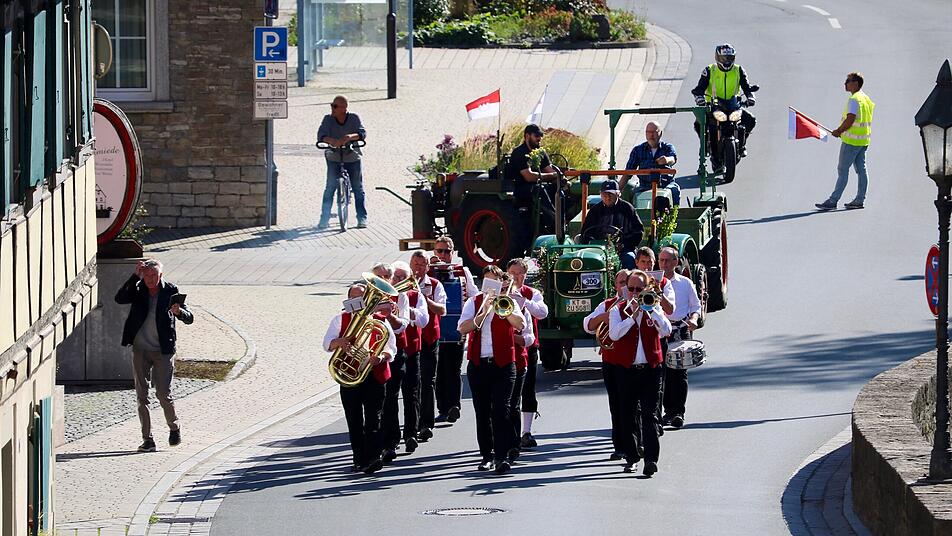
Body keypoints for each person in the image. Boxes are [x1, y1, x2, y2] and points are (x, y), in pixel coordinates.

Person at [115, 259, 194, 453]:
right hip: (140, 349)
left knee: (163, 393)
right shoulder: (138, 288)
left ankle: (174, 427)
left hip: (163, 350)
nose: (150, 279)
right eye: (147, 275)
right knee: (142, 396)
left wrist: (179, 312)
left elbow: (189, 317)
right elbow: (120, 298)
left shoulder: (170, 291)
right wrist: (135, 276)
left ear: (161, 275)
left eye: (154, 275)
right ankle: (148, 440)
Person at [458, 265, 526, 474]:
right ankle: (486, 455)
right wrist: (482, 312)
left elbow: (520, 324)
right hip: (479, 364)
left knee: (501, 410)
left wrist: (503, 310)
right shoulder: (474, 302)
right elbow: (463, 327)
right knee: (482, 412)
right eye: (487, 281)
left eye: (494, 281)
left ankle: (501, 456)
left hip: (503, 364)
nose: (491, 286)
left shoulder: (508, 302)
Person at [323, 283, 397, 474]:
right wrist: (339, 342)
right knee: (354, 419)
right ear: (348, 300)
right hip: (349, 375)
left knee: (374, 418)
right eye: (353, 299)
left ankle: (373, 458)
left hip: (374, 374)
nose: (358, 303)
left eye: (362, 299)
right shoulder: (340, 319)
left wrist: (381, 357)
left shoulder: (380, 321)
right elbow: (327, 344)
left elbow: (391, 349)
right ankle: (359, 460)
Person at [608, 270, 672, 475]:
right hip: (626, 370)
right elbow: (614, 335)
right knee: (627, 415)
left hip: (651, 369)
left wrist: (652, 311)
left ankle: (651, 460)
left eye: (639, 289)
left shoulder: (654, 307)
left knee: (650, 415)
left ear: (646, 289)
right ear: (625, 289)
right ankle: (632, 457)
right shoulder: (617, 310)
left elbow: (667, 330)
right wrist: (631, 318)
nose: (635, 293)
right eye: (631, 289)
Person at [583, 269, 631, 461]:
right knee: (616, 404)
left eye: (628, 283)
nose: (624, 287)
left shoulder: (641, 304)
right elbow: (587, 325)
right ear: (615, 286)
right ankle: (619, 446)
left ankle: (635, 443)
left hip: (633, 362)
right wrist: (603, 317)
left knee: (632, 405)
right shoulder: (607, 304)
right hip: (611, 361)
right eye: (621, 283)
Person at [431, 236, 478, 424]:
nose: (443, 255)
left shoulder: (462, 272)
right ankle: (442, 408)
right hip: (435, 330)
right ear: (434, 252)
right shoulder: (429, 272)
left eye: (447, 251)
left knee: (454, 369)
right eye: (440, 251)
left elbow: (474, 295)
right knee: (438, 371)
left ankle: (454, 406)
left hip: (456, 330)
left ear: (452, 252)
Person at [815, 72, 875, 211]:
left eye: (848, 81)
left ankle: (833, 200)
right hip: (863, 140)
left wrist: (839, 131)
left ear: (856, 83)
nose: (845, 83)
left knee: (843, 170)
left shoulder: (854, 99)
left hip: (851, 141)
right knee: (862, 170)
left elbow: (850, 119)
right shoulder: (865, 98)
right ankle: (860, 199)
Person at [506, 258, 549, 450]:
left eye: (519, 274)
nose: (515, 277)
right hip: (504, 347)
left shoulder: (532, 293)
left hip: (528, 347)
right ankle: (507, 432)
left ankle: (526, 431)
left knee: (528, 389)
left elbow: (543, 313)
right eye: (512, 274)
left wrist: (524, 301)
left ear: (525, 275)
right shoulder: (501, 292)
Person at [369, 263, 410, 463]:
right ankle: (372, 446)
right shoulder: (364, 295)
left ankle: (390, 443)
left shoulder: (400, 297)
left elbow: (403, 325)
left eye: (387, 276)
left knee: (390, 399)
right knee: (372, 402)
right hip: (369, 353)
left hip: (392, 354)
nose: (383, 280)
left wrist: (390, 316)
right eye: (379, 276)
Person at [657, 247, 702, 429]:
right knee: (661, 373)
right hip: (660, 331)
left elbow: (696, 306)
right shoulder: (653, 282)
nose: (664, 264)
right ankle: (663, 412)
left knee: (679, 373)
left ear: (676, 262)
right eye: (661, 260)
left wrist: (694, 319)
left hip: (680, 331)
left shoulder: (685, 283)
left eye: (668, 260)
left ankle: (677, 412)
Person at [691, 43, 757, 158]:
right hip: (714, 106)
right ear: (717, 58)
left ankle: (742, 145)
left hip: (733, 106)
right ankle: (705, 145)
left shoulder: (739, 70)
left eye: (730, 58)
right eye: (724, 58)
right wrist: (700, 99)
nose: (727, 60)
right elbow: (698, 89)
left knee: (750, 120)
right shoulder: (709, 70)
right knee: (699, 123)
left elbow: (747, 88)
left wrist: (751, 98)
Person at [409, 251, 447, 442]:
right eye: (415, 264)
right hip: (410, 340)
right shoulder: (404, 283)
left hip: (429, 339)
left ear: (428, 267)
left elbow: (442, 310)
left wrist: (426, 299)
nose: (418, 268)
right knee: (411, 383)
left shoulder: (435, 284)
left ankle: (426, 424)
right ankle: (412, 424)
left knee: (427, 381)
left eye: (422, 264)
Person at [317, 95, 368, 229]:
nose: (332, 108)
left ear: (344, 108)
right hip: (334, 157)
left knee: (357, 188)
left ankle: (362, 217)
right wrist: (331, 140)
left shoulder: (354, 118)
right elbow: (321, 134)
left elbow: (362, 133)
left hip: (352, 157)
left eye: (335, 106)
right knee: (330, 188)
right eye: (332, 105)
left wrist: (349, 137)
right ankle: (324, 219)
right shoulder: (328, 119)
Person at [506, 124, 564, 234]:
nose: (539, 139)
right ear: (527, 136)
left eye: (541, 136)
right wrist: (554, 175)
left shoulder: (540, 152)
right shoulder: (520, 152)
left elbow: (549, 170)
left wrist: (559, 178)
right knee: (539, 189)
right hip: (520, 188)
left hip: (535, 185)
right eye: (536, 136)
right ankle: (555, 224)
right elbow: (529, 176)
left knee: (558, 187)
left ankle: (564, 218)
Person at [579, 180, 644, 269]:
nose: (607, 197)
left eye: (611, 194)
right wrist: (593, 243)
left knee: (629, 259)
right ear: (600, 195)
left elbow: (638, 232)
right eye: (605, 195)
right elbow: (585, 233)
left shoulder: (627, 209)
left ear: (618, 194)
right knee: (584, 261)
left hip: (623, 249)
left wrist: (624, 244)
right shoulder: (595, 211)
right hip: (598, 248)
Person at [620, 121, 680, 205]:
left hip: (665, 185)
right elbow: (628, 172)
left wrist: (666, 160)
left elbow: (673, 158)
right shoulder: (638, 150)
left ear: (660, 133)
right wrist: (618, 190)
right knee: (630, 196)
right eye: (648, 132)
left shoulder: (667, 147)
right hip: (644, 187)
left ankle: (675, 212)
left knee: (675, 191)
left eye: (654, 132)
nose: (651, 135)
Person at [633, 247, 676, 317]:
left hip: (656, 321)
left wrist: (659, 292)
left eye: (649, 262)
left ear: (654, 262)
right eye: (643, 261)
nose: (646, 266)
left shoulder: (664, 282)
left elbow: (670, 311)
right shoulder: (629, 281)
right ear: (636, 262)